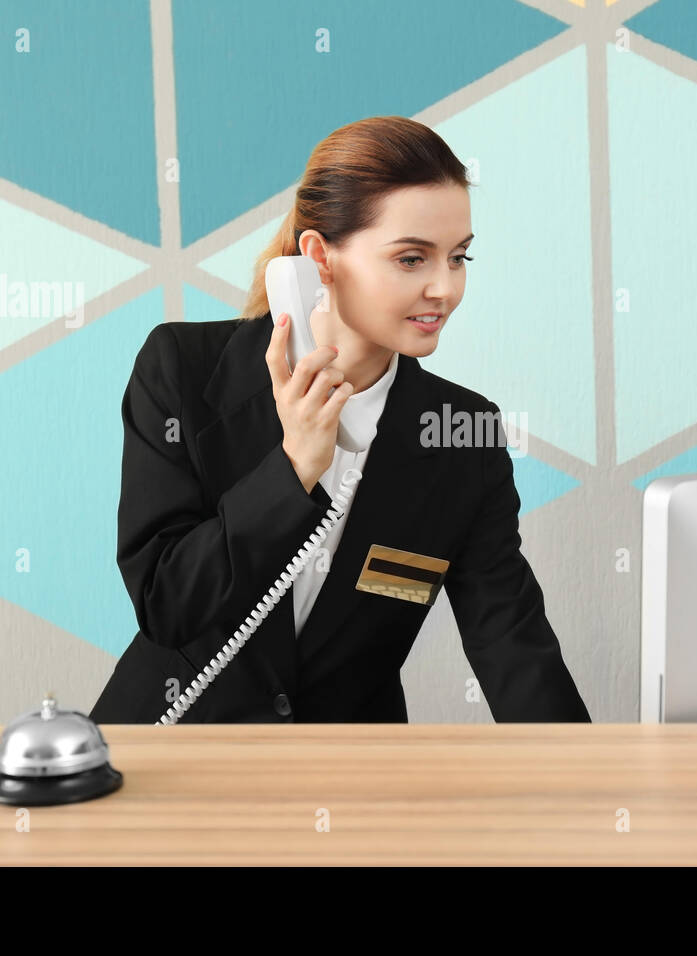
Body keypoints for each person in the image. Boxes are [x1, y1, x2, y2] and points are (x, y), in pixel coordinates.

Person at [89, 116, 590, 724]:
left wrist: (587, 789)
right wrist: (293, 467)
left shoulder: (464, 433)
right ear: (319, 258)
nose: (445, 288)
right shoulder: (181, 372)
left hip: (352, 779)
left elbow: (512, 644)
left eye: (459, 257)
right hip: (175, 758)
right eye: (412, 259)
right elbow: (167, 606)